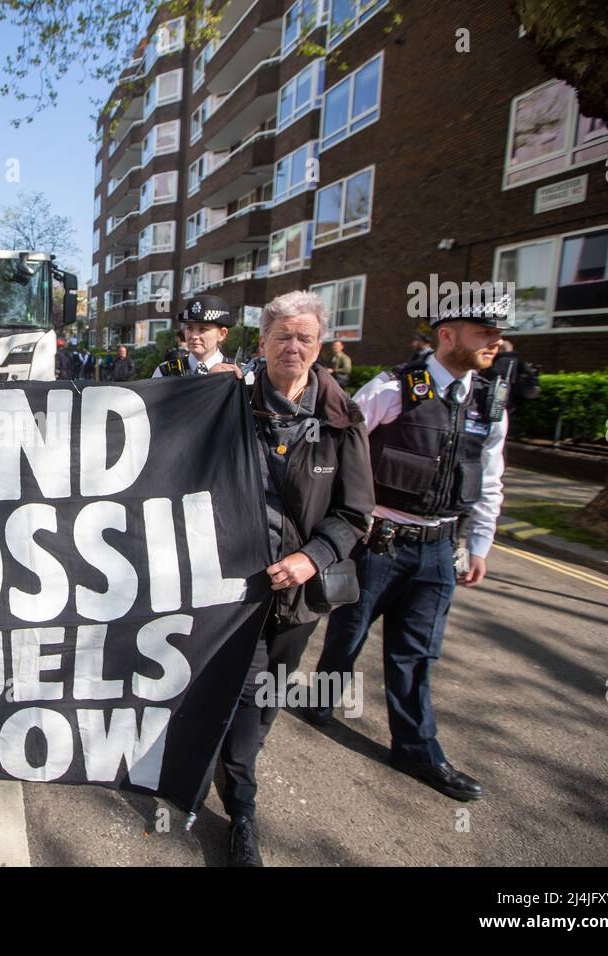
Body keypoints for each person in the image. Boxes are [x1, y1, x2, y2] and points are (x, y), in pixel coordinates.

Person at [306, 298, 513, 804]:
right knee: (347, 631)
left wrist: (480, 542)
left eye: (499, 334)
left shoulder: (489, 401)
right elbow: (340, 447)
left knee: (416, 654)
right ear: (448, 333)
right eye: (484, 331)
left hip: (439, 549)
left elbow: (491, 478)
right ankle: (323, 695)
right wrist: (339, 527)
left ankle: (416, 747)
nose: (496, 342)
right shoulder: (394, 389)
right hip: (379, 543)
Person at [209, 291, 375, 866]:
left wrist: (314, 556)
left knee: (266, 696)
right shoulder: (226, 402)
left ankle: (236, 782)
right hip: (227, 590)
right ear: (262, 342)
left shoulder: (342, 416)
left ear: (320, 344)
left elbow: (356, 512)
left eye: (305, 337)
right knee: (231, 691)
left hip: (298, 596)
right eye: (282, 336)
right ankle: (241, 811)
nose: (294, 347)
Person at [153, 294, 234, 376]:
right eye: (189, 328)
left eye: (202, 329)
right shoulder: (165, 372)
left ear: (222, 334)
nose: (194, 336)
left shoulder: (237, 373)